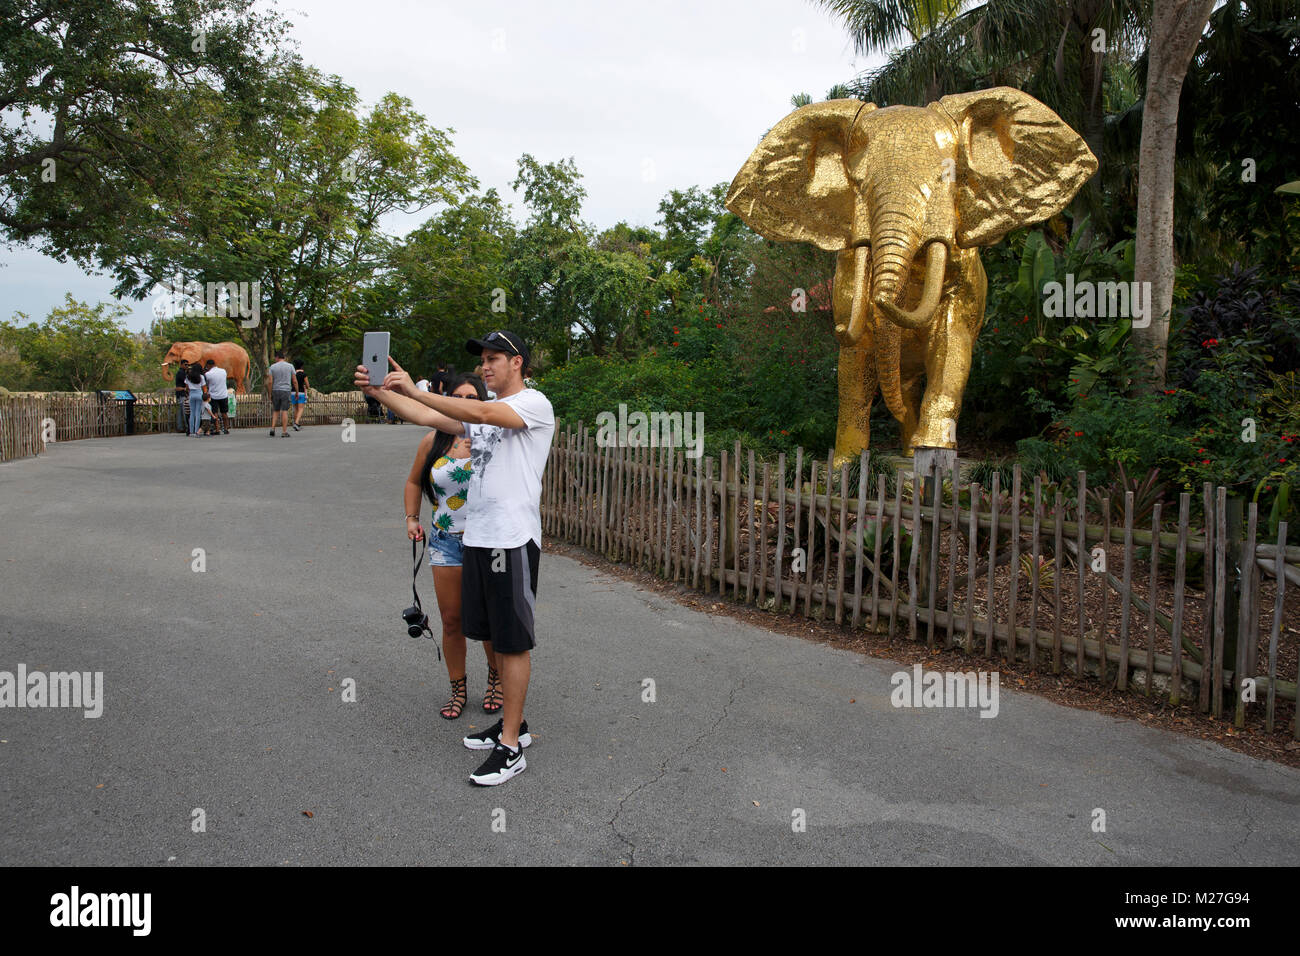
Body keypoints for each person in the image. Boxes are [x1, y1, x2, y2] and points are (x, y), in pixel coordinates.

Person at [357, 330, 554, 786]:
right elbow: (426, 415)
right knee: (484, 631)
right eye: (482, 360)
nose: (485, 367)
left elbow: (481, 409)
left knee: (512, 641)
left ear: (518, 363)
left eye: (494, 359)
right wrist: (382, 392)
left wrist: (418, 388)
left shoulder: (532, 405)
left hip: (511, 541)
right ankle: (513, 726)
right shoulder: (483, 419)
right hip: (478, 540)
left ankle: (511, 749)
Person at [403, 375, 501, 720]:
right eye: (457, 396)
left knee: (487, 619)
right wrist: (412, 518)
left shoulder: (493, 439)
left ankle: (496, 678)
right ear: (446, 398)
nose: (463, 401)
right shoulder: (433, 440)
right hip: (445, 542)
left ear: (482, 400)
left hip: (486, 542)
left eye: (471, 396)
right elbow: (414, 480)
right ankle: (457, 688)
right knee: (452, 620)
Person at [265, 350, 295, 437]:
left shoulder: (272, 367)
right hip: (286, 390)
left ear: (277, 357)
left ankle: (272, 428)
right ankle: (284, 431)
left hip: (276, 390)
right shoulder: (290, 366)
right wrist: (296, 391)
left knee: (276, 410)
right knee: (284, 410)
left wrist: (270, 393)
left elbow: (270, 381)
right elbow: (294, 380)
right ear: (284, 358)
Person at [203, 359, 231, 434]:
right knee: (224, 413)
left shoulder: (208, 374)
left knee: (215, 413)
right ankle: (226, 428)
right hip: (223, 394)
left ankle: (217, 429)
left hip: (214, 396)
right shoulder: (223, 371)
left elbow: (207, 383)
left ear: (208, 365)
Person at [185, 363, 207, 437]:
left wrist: (189, 392)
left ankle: (191, 432)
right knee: (198, 413)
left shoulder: (188, 377)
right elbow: (204, 388)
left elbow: (187, 387)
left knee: (192, 413)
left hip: (192, 394)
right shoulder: (201, 377)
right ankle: (196, 431)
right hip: (199, 393)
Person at [292, 359, 309, 431]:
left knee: (296, 408)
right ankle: (296, 423)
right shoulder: (304, 374)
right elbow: (308, 385)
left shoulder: (293, 374)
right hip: (301, 392)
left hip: (292, 392)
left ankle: (296, 423)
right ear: (302, 366)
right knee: (301, 409)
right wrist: (305, 386)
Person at [174, 359, 191, 434]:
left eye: (188, 365)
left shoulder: (183, 372)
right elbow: (186, 383)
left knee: (181, 411)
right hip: (182, 394)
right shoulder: (181, 373)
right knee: (185, 411)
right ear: (181, 365)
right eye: (185, 365)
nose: (187, 366)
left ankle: (180, 427)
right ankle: (187, 427)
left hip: (181, 394)